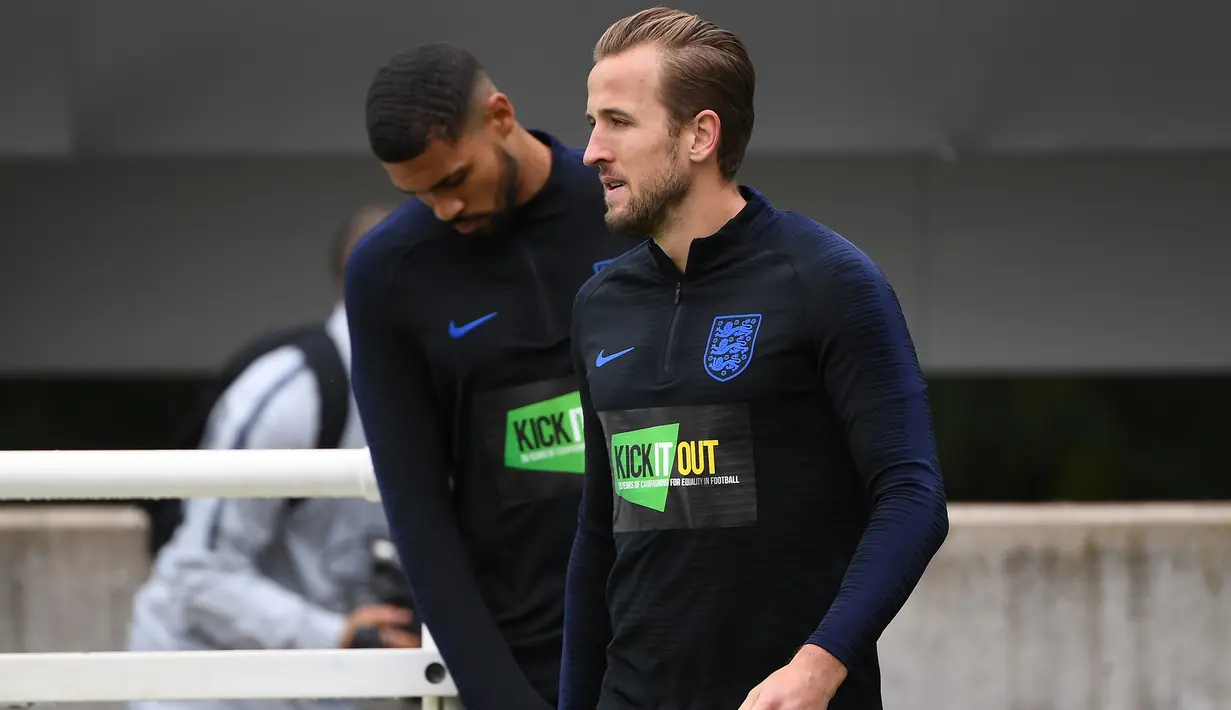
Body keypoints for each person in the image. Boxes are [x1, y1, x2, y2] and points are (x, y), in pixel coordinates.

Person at [560, 7, 951, 710]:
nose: (590, 150)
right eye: (592, 123)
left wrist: (818, 666)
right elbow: (598, 531)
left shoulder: (828, 280)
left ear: (700, 136)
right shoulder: (599, 303)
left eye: (617, 122)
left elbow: (912, 498)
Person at [345, 43, 643, 710]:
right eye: (418, 195)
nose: (444, 209)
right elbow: (415, 510)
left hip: (673, 631)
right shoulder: (387, 274)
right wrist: (498, 695)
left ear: (500, 116)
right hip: (526, 653)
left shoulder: (628, 203)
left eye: (452, 180)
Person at [125, 205, 421, 710]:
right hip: (206, 690)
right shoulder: (292, 392)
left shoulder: (429, 391)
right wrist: (336, 635)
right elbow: (199, 574)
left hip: (318, 687)